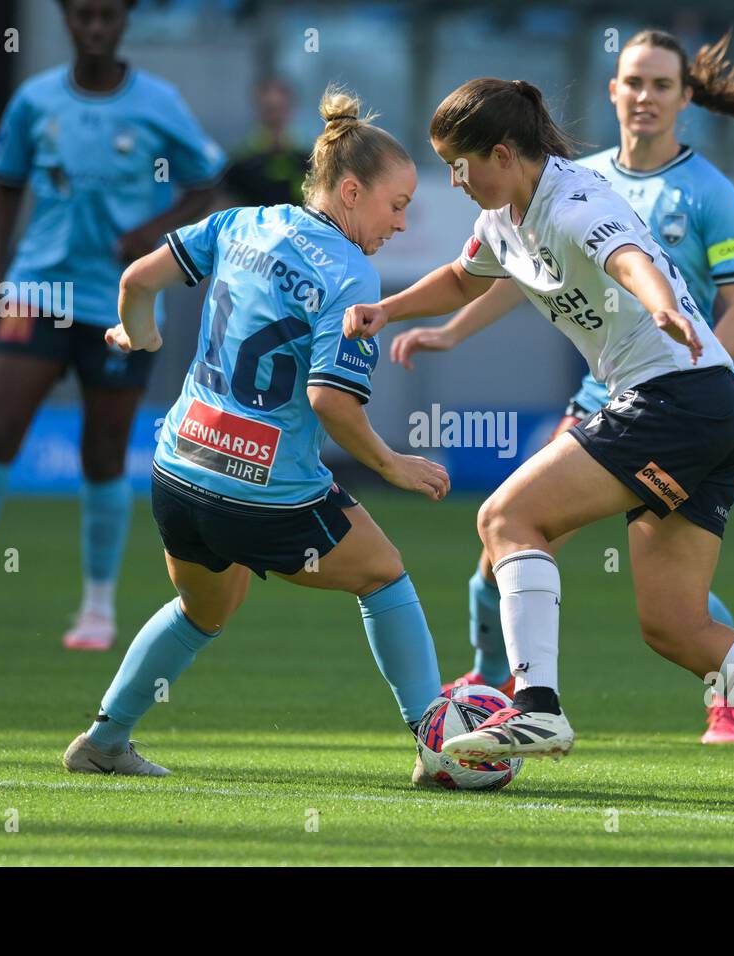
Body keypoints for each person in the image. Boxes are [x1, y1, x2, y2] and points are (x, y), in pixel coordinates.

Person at [345, 77, 734, 806]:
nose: (455, 181)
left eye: (460, 165)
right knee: (676, 626)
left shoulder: (574, 201)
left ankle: (537, 708)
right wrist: (389, 310)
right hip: (704, 404)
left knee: (506, 518)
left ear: (501, 153)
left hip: (674, 397)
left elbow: (632, 259)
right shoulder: (507, 215)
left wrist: (662, 308)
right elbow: (463, 279)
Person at [62, 86, 451, 785]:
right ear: (352, 190)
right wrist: (391, 465)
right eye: (396, 206)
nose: (399, 223)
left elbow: (136, 278)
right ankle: (437, 744)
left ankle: (104, 739)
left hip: (179, 472)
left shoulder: (242, 222)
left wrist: (140, 333)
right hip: (266, 494)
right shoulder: (350, 273)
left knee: (203, 610)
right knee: (385, 575)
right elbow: (330, 402)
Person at [390, 29, 734, 745]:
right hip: (601, 398)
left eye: (661, 84)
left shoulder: (707, 191)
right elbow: (518, 273)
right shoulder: (566, 172)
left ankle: (717, 694)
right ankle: (498, 687)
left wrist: (702, 370)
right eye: (633, 81)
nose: (645, 96)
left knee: (573, 543)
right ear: (612, 90)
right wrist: (450, 332)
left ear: (686, 97)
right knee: (504, 545)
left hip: (670, 392)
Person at [0, 0, 226, 650]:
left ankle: (97, 610)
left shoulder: (159, 102)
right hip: (37, 291)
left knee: (104, 453)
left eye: (107, 16)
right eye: (83, 16)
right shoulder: (35, 99)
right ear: (66, 19)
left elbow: (204, 186)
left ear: (125, 20)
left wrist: (150, 234)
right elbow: (4, 183)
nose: (95, 28)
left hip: (122, 303)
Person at [221, 77, 311, 208]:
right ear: (258, 110)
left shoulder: (309, 157)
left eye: (280, 109)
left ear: (291, 109)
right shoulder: (241, 160)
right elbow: (229, 202)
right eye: (269, 109)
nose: (275, 117)